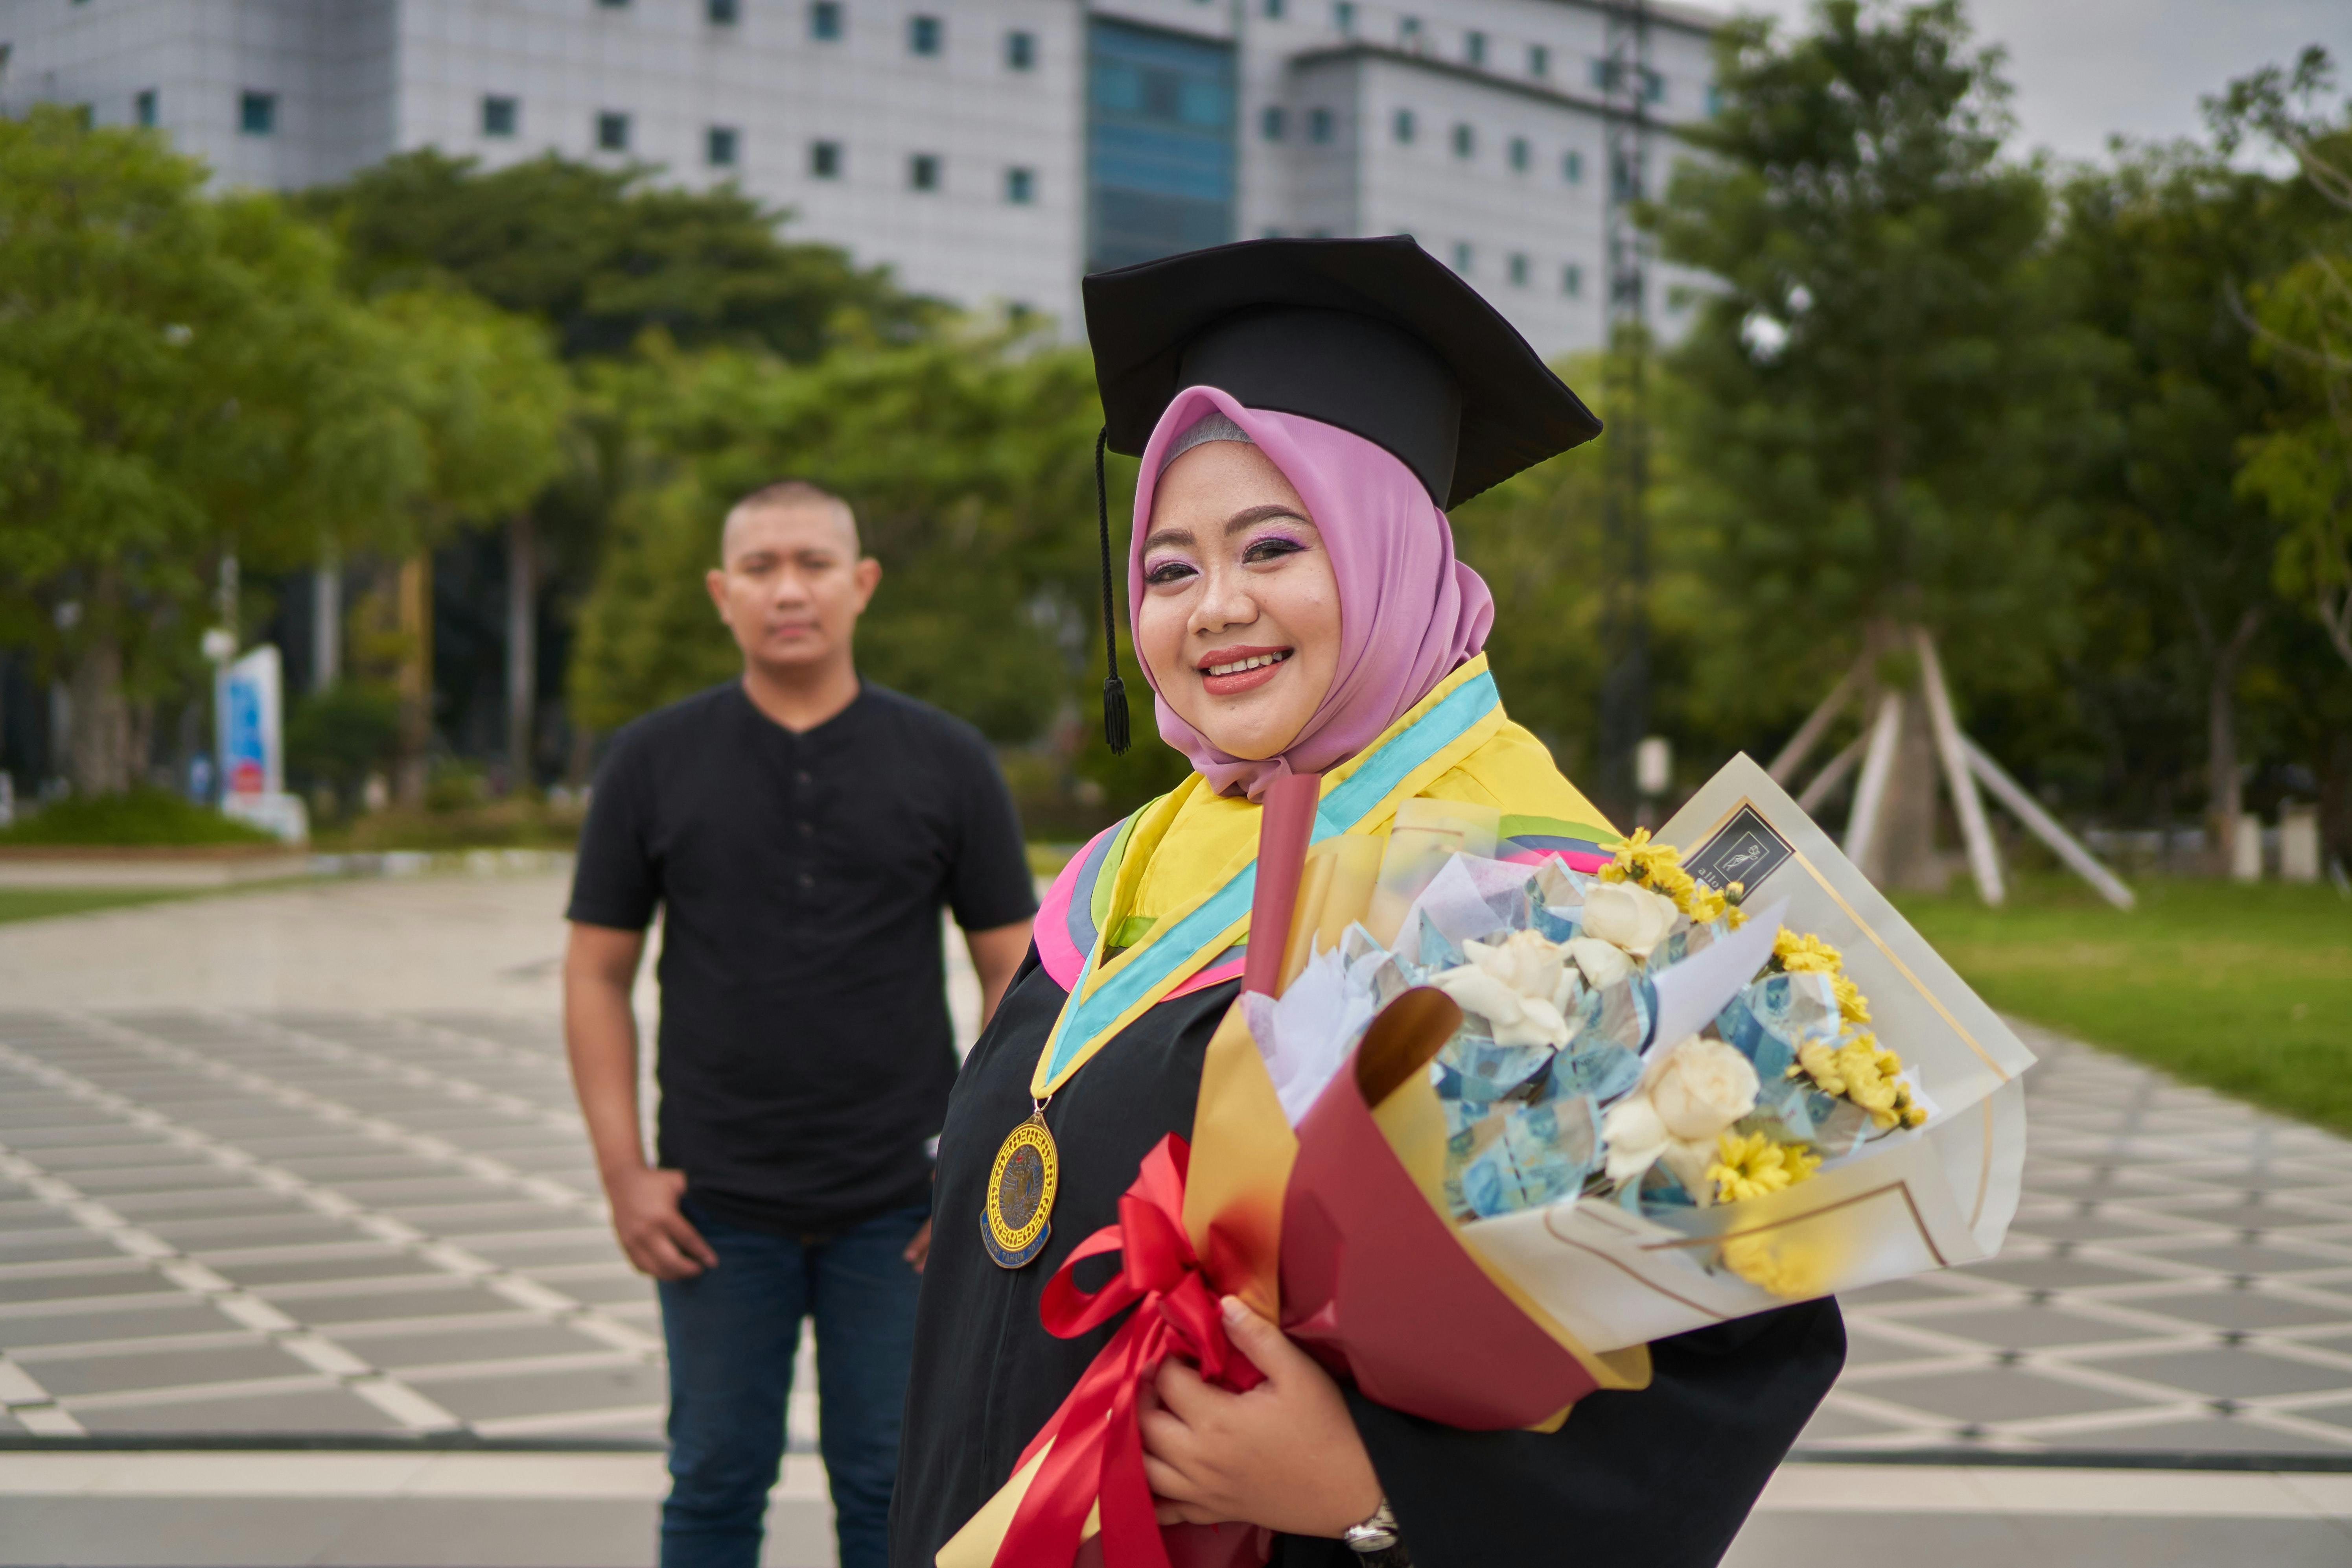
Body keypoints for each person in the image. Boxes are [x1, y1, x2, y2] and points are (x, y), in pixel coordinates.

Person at [890, 238, 1845, 1568]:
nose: (1216, 608)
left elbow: (1728, 1348)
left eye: (1275, 547)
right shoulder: (1123, 865)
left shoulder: (1533, 898)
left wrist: (1374, 1487)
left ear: (1391, 552)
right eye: (1169, 569)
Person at [564, 480, 1038, 1568]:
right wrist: (623, 1172)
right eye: (763, 567)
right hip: (716, 1207)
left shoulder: (947, 759)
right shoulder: (649, 760)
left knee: (892, 1482)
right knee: (716, 1479)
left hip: (900, 1208)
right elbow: (596, 970)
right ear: (721, 593)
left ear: (861, 584)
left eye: (815, 564)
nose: (790, 588)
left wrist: (973, 1174)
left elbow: (1014, 970)